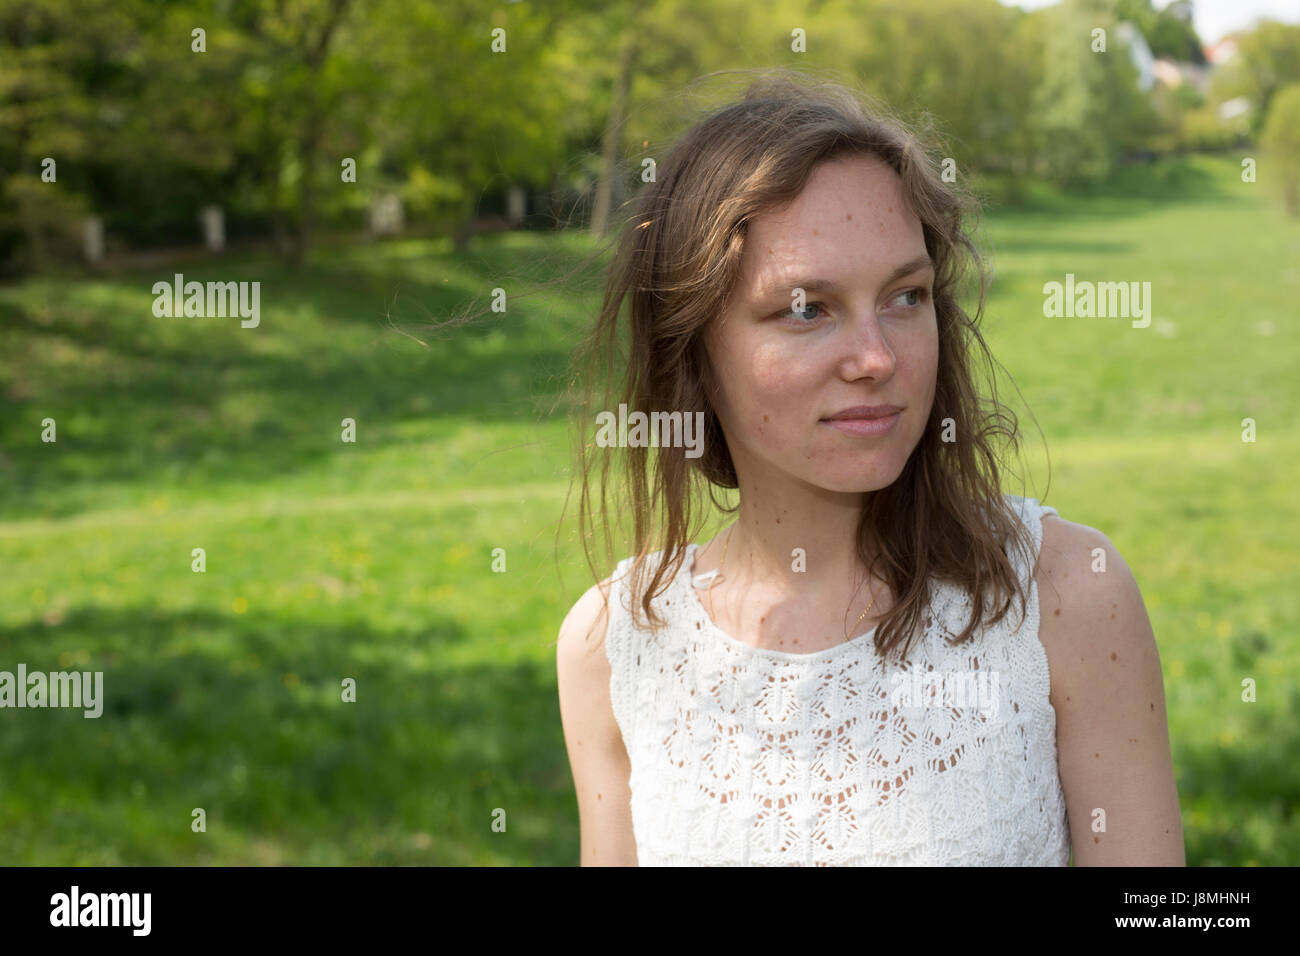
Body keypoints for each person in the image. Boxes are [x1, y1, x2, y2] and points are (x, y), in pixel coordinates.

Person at [555, 70, 1184, 866]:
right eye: (806, 309)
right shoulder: (615, 645)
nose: (878, 358)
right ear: (694, 351)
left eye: (905, 296)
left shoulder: (1063, 598)